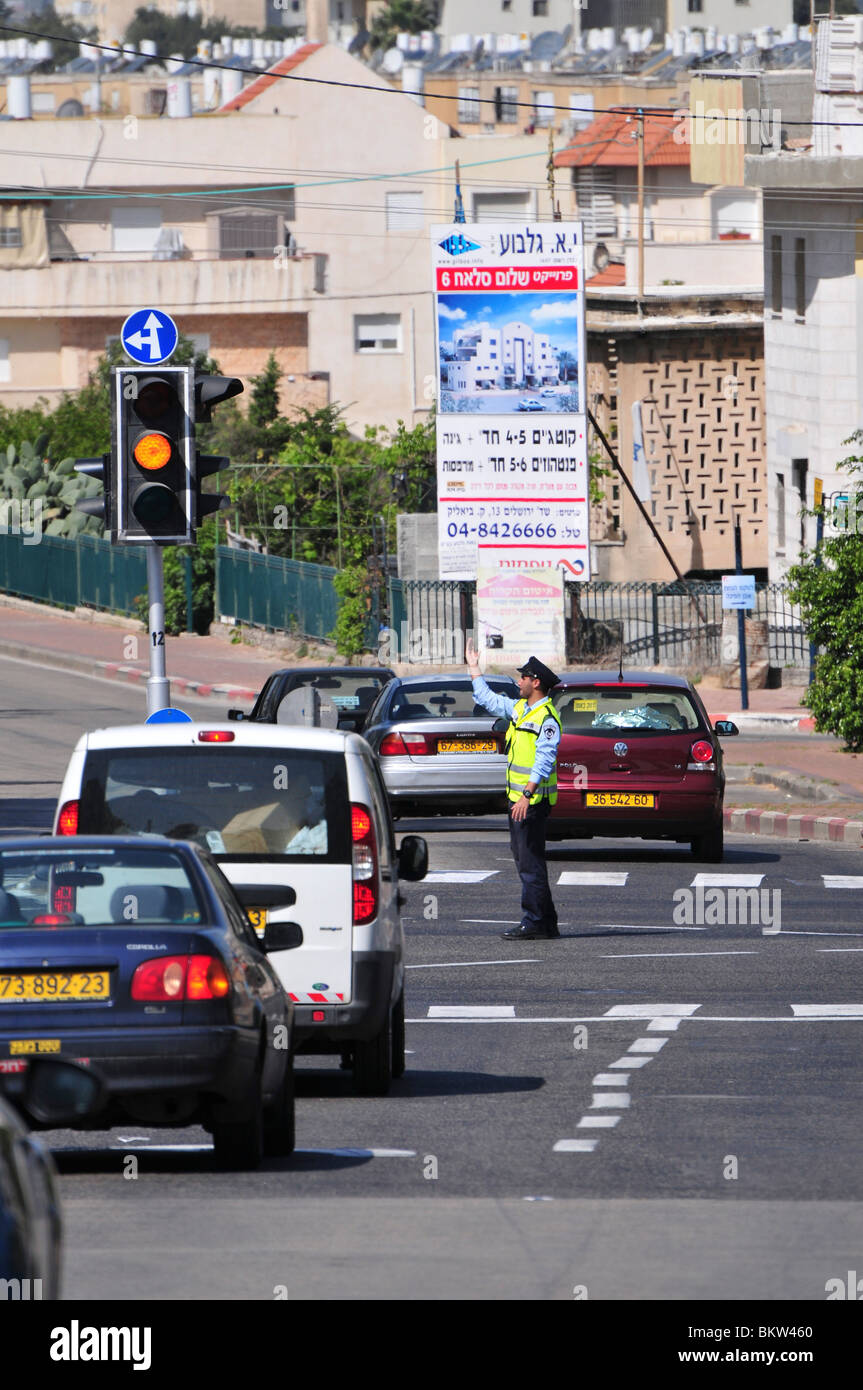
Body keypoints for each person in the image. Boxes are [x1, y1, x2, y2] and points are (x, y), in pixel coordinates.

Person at [466, 638, 562, 940]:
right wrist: (474, 669)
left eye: (523, 677)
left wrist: (526, 796)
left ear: (536, 682)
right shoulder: (521, 709)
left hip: (530, 802)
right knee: (527, 861)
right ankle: (546, 923)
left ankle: (534, 922)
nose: (518, 681)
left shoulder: (546, 719)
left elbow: (544, 762)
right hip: (520, 800)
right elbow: (489, 700)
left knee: (529, 863)